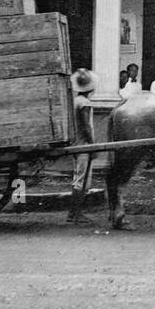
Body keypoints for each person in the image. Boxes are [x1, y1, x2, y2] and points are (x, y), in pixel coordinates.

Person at [67, 68, 102, 227]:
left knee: (79, 178)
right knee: (82, 180)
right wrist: (93, 145)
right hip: (84, 145)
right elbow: (87, 127)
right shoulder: (85, 103)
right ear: (91, 88)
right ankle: (75, 214)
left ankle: (74, 213)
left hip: (77, 143)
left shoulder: (75, 101)